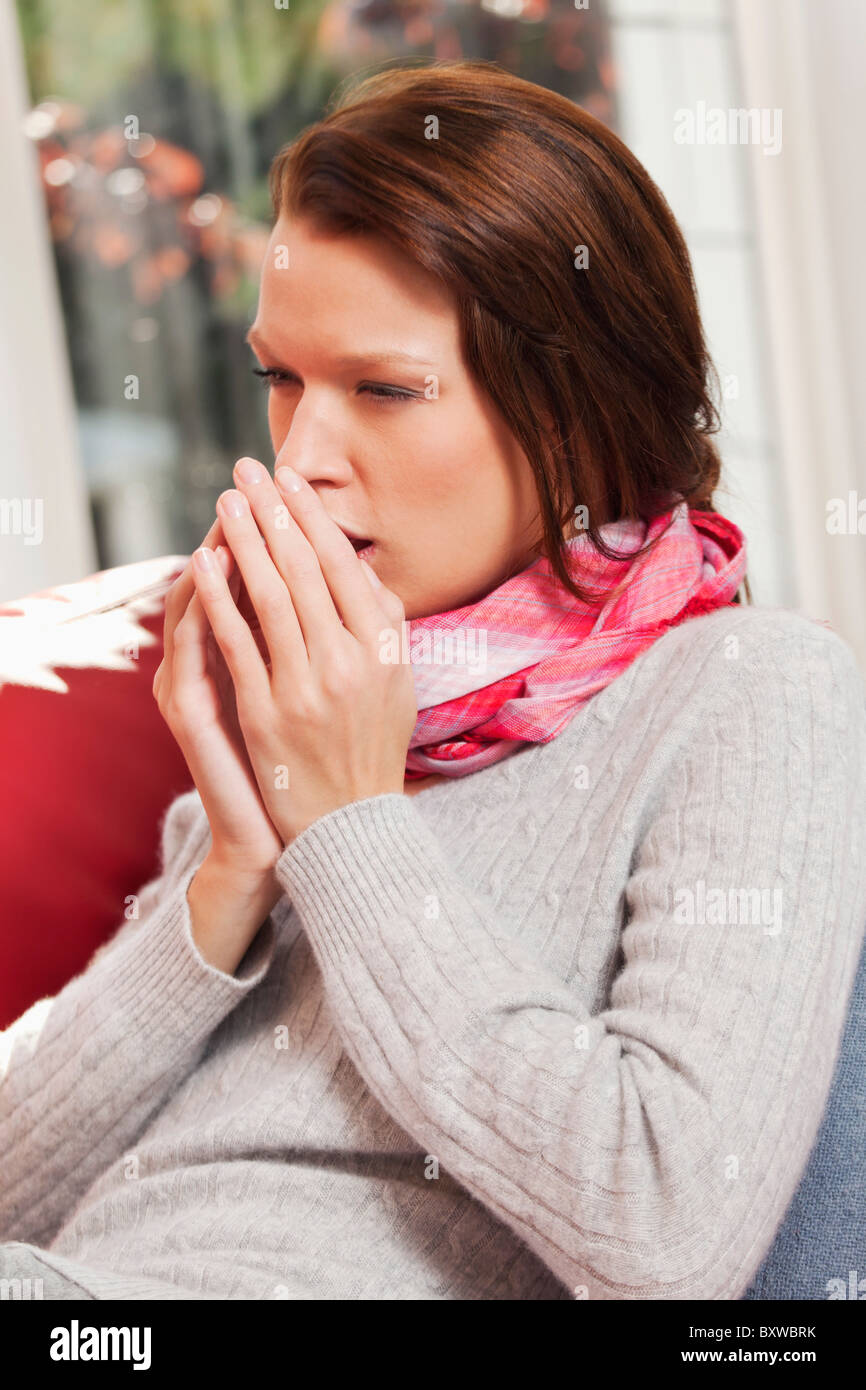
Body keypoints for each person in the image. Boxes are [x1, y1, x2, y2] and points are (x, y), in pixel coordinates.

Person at [2, 60, 865, 1302]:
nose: (296, 465)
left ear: (576, 407)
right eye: (280, 380)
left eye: (385, 390)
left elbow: (664, 1238)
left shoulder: (745, 692)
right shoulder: (296, 702)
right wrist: (230, 863)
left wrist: (350, 824)